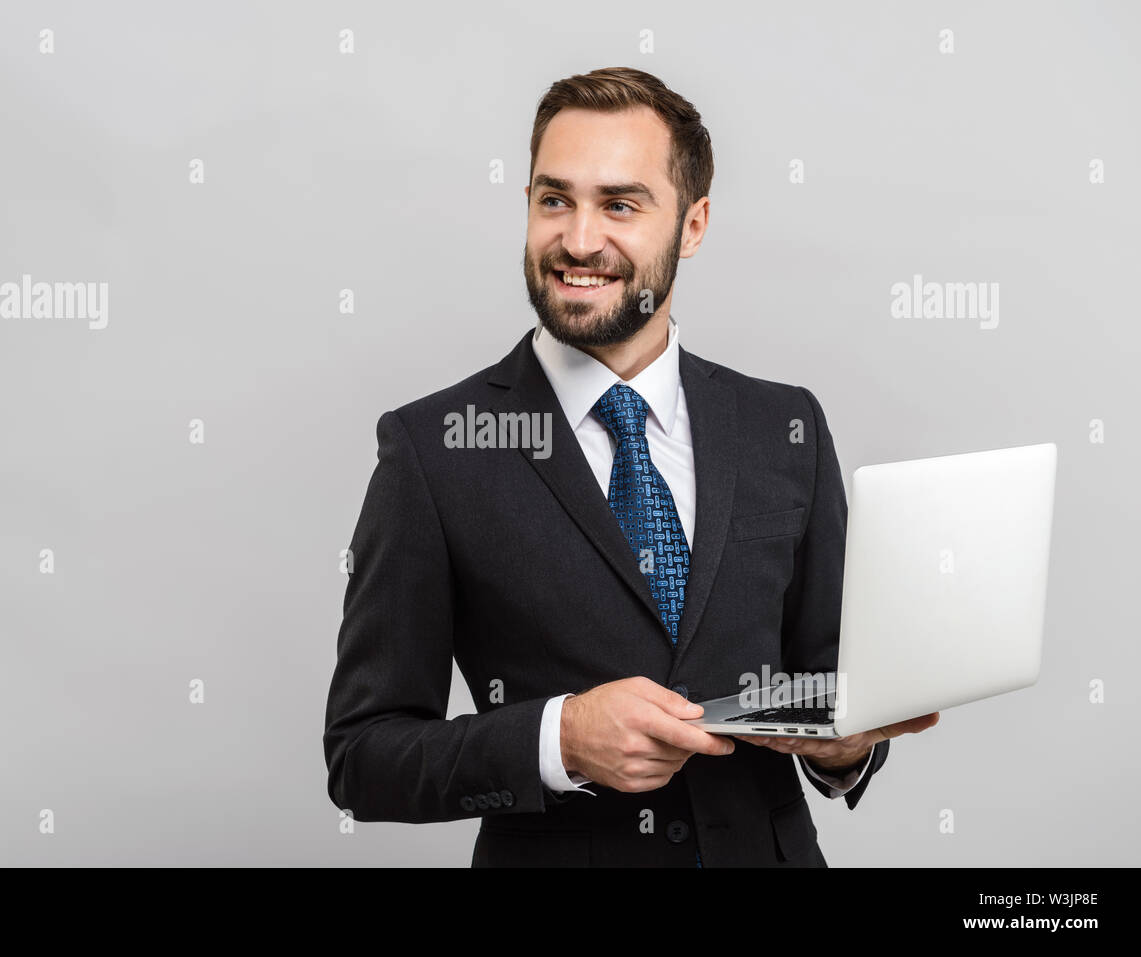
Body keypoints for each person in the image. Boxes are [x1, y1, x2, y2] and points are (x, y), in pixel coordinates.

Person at [324, 66, 936, 867]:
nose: (579, 240)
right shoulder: (432, 448)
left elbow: (827, 686)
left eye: (619, 204)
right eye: (554, 200)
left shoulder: (786, 425)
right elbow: (363, 757)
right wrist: (560, 737)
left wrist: (843, 748)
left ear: (692, 225)